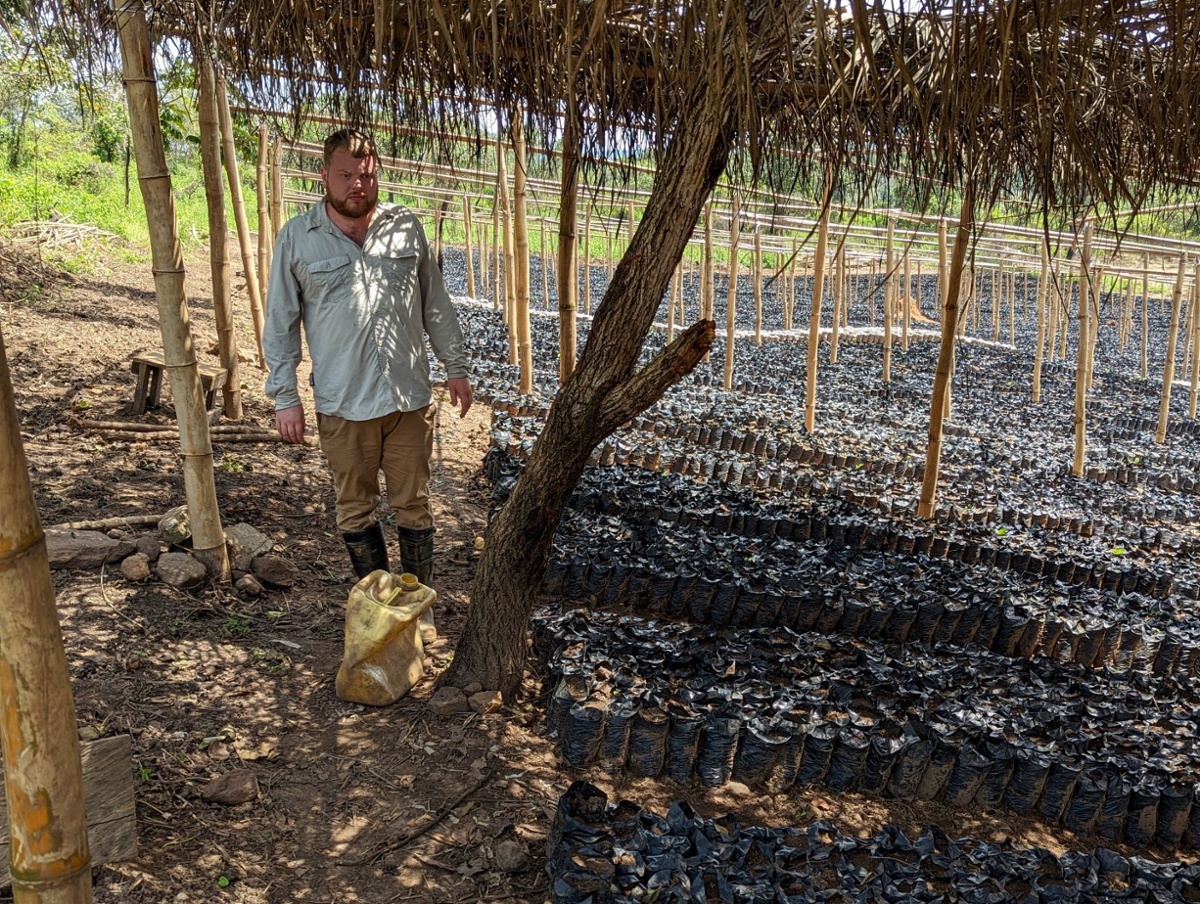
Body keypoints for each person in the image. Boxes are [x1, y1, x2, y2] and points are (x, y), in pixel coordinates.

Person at [263, 128, 472, 638]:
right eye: (347, 175)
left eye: (367, 174)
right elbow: (280, 323)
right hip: (343, 403)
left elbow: (435, 302)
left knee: (414, 505)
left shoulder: (405, 226)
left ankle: (416, 614)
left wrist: (456, 366)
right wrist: (284, 397)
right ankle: (382, 617)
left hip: (407, 399)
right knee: (355, 508)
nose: (358, 183)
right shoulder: (298, 237)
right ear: (325, 177)